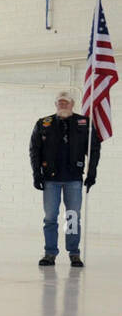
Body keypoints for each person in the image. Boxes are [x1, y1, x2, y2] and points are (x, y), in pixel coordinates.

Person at [30, 90, 100, 268]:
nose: (63, 105)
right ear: (56, 105)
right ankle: (49, 253)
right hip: (50, 179)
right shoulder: (43, 123)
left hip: (73, 179)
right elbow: (34, 150)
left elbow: (93, 151)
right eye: (60, 102)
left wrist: (92, 173)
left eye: (66, 102)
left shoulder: (84, 123)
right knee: (50, 218)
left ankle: (74, 253)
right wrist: (36, 174)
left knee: (73, 218)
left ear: (72, 104)